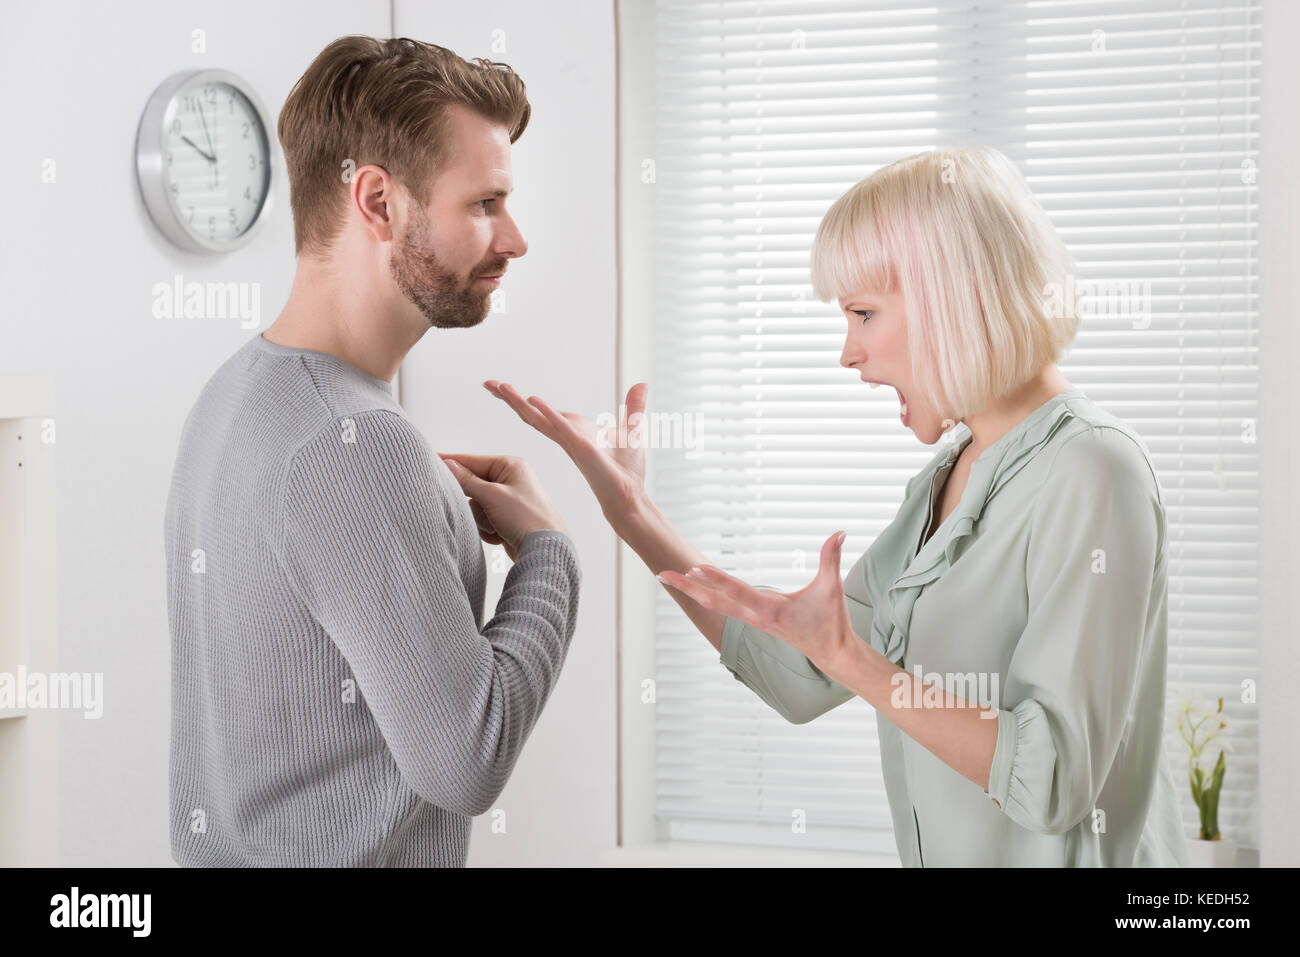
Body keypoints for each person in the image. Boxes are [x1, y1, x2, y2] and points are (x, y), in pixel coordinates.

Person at [464, 146, 1191, 867]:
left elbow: (1054, 778)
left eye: (864, 313)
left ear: (953, 295)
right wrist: (631, 512)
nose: (850, 352)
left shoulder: (1094, 469)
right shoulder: (948, 477)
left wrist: (854, 659)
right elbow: (794, 674)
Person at [165, 36, 579, 867]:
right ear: (380, 202)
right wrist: (549, 553)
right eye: (485, 204)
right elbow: (468, 758)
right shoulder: (357, 446)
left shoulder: (232, 394)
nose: (516, 239)